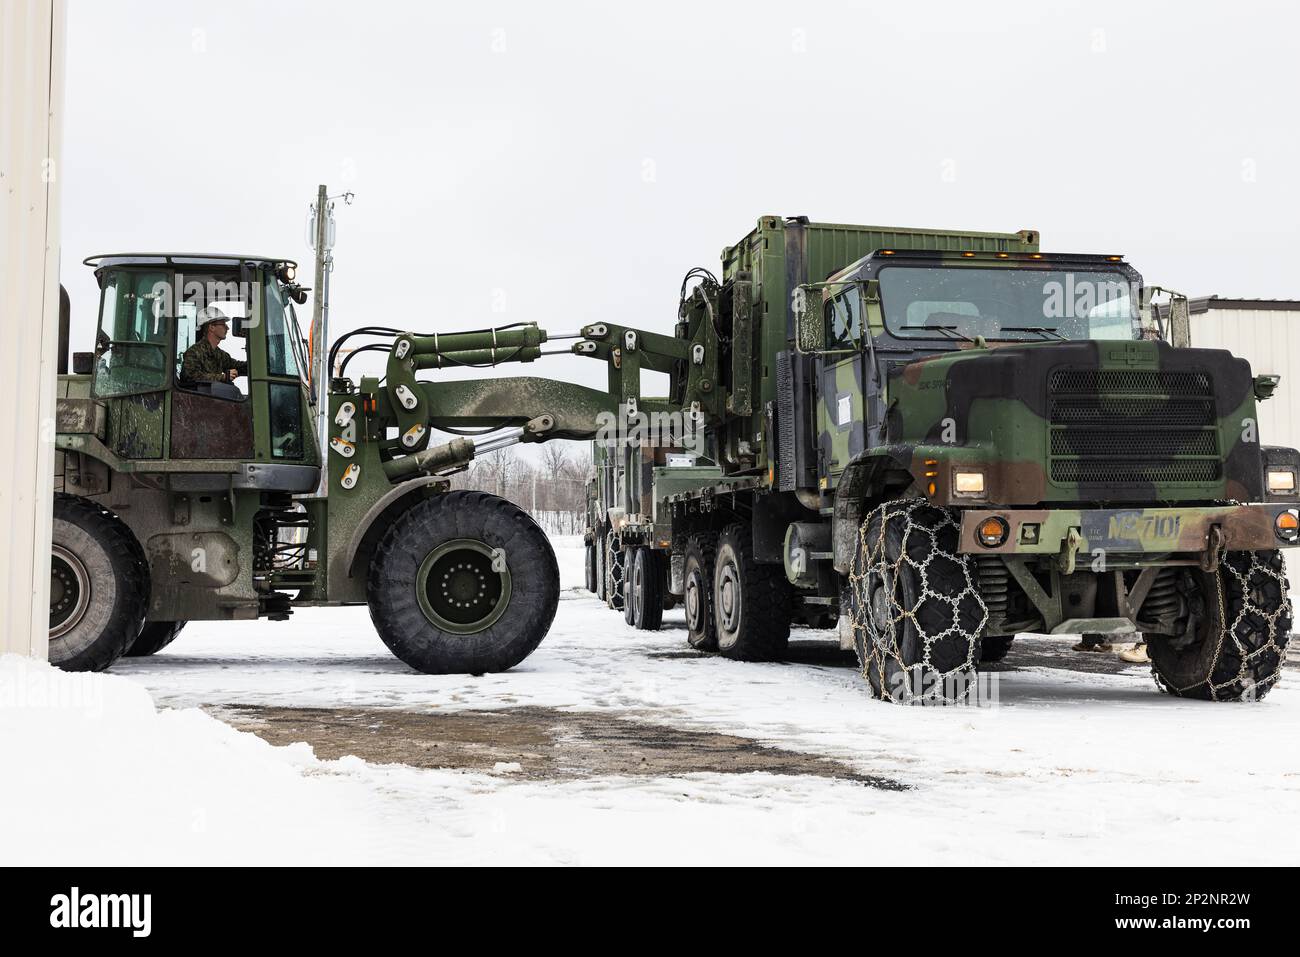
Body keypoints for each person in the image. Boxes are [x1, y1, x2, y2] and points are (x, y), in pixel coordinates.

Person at [181, 305, 248, 384]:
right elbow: (190, 377)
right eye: (223, 324)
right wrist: (222, 377)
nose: (227, 328)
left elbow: (238, 367)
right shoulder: (194, 352)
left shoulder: (219, 354)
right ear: (212, 327)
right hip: (199, 396)